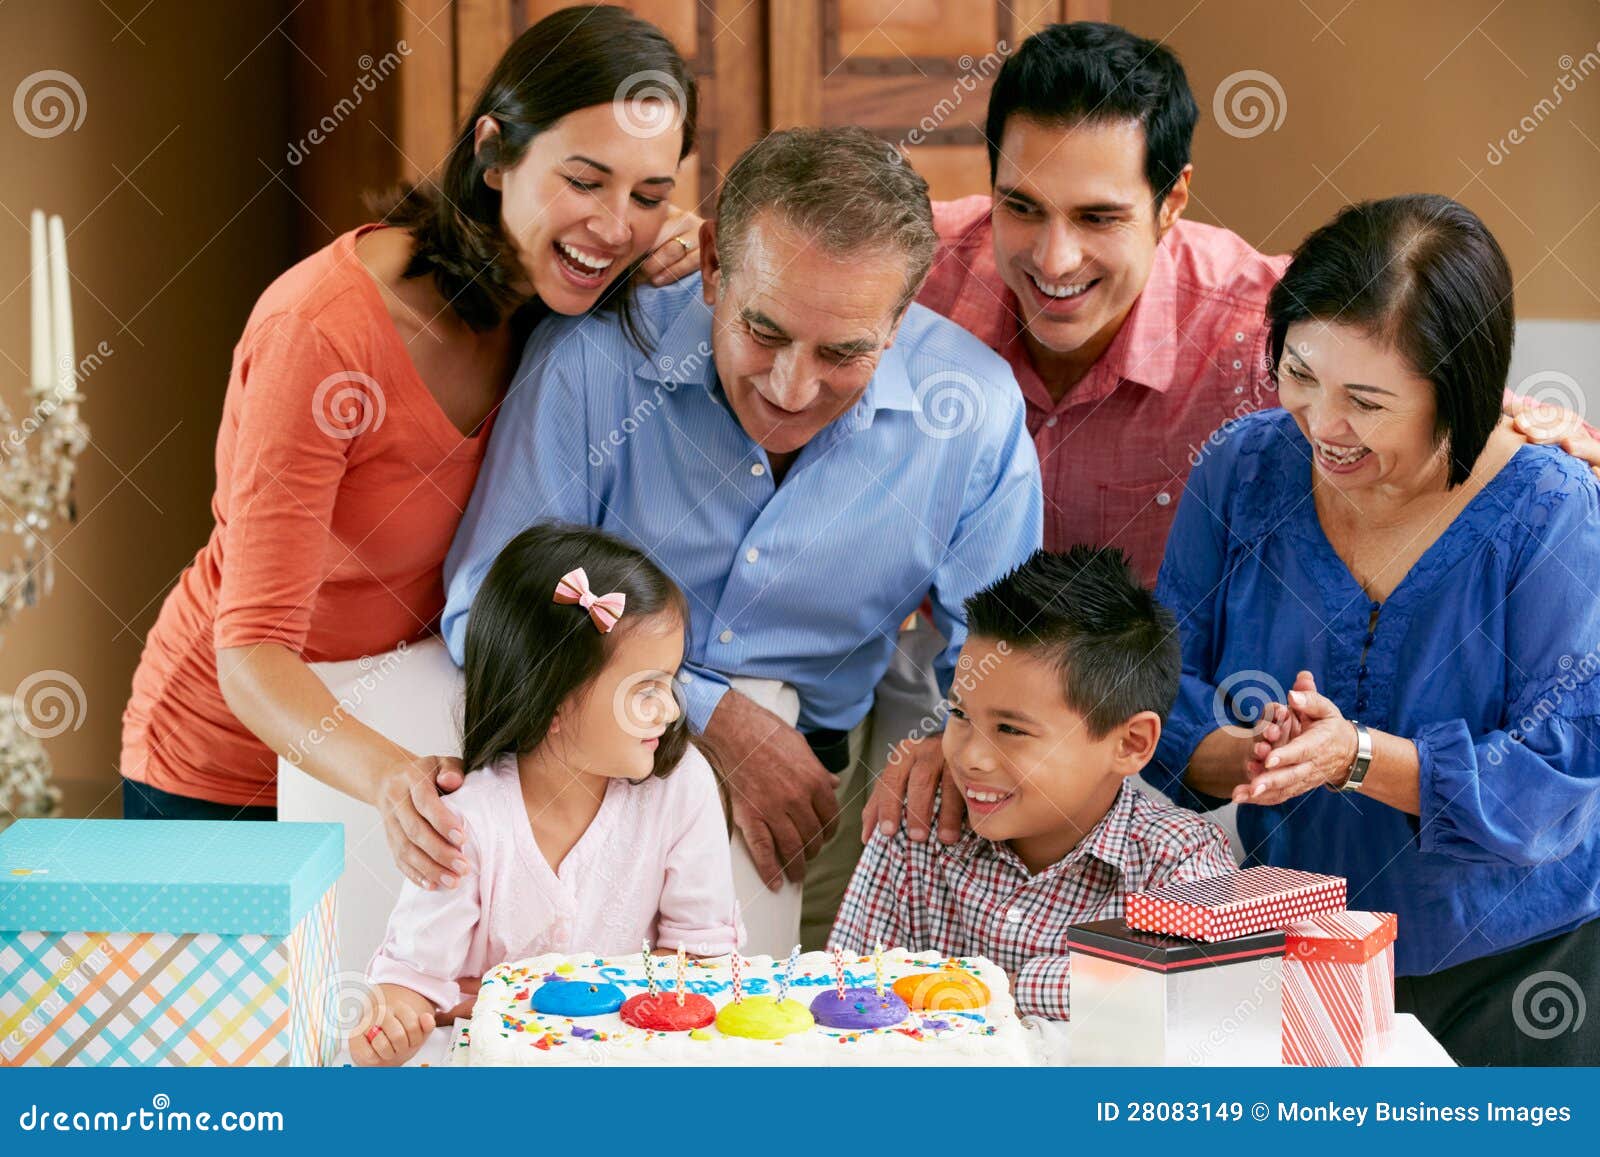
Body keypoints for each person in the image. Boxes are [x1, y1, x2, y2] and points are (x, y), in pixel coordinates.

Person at [873, 18, 1600, 851]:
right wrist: (685, 244)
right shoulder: (908, 271)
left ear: (1172, 201)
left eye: (1099, 216)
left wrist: (1560, 428)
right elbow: (774, 258)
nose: (1054, 256)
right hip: (964, 676)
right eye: (1022, 206)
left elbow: (1419, 359)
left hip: (1126, 733)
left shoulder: (1251, 322)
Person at [119, 7, 703, 895]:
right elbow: (253, 653)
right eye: (585, 180)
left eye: (650, 196)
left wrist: (714, 239)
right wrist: (388, 775)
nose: (618, 226)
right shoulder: (322, 334)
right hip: (226, 767)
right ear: (496, 152)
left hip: (401, 739)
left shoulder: (560, 305)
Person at [441, 126, 1042, 949]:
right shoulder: (592, 362)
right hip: (585, 798)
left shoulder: (974, 410)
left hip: (820, 807)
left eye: (843, 352)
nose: (792, 389)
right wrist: (707, 711)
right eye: (764, 332)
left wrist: (957, 732)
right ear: (716, 264)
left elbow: (1013, 649)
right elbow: (484, 606)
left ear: (901, 316)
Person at [1146, 194, 1600, 1065]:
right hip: (1295, 947)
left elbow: (1558, 773)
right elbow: (1159, 681)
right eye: (1300, 373)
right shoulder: (1243, 468)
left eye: (1366, 400)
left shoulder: (1551, 510)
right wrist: (1253, 754)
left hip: (1517, 969)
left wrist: (1354, 755)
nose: (1320, 424)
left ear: (1459, 392)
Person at [353, 522, 739, 1066]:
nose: (672, 710)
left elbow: (700, 961)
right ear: (553, 700)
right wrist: (388, 1025)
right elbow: (410, 983)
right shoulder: (466, 824)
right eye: (645, 689)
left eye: (669, 683)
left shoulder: (680, 787)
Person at [829, 546, 1236, 1019]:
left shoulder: (1180, 857)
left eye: (1011, 730)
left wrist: (992, 988)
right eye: (959, 714)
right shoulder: (919, 819)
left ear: (1130, 744)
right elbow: (847, 995)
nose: (971, 757)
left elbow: (1186, 992)